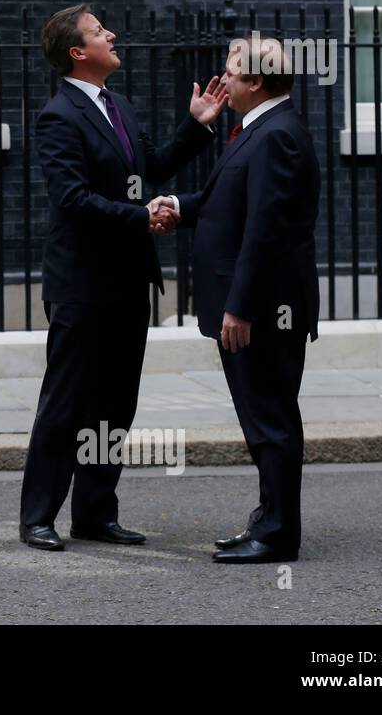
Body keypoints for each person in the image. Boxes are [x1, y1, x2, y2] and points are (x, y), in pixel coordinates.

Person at [20, 3, 227, 551]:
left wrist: (196, 125)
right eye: (98, 31)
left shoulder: (118, 105)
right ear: (77, 52)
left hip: (128, 281)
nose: (111, 34)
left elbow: (150, 168)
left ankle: (94, 513)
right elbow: (73, 200)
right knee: (66, 401)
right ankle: (38, 514)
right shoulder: (58, 117)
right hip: (82, 285)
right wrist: (144, 217)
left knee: (115, 404)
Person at [163, 35, 320, 563]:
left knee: (270, 419)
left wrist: (241, 306)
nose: (222, 79)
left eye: (230, 71)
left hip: (264, 310)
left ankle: (276, 535)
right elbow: (224, 202)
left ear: (255, 81)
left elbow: (265, 230)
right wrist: (178, 207)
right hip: (257, 305)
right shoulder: (259, 129)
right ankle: (268, 518)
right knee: (263, 417)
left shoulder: (276, 136)